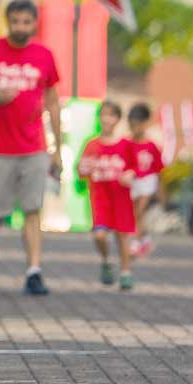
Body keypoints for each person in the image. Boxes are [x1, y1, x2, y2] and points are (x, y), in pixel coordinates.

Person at [0, 0, 61, 296]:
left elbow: (53, 101)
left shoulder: (44, 55)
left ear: (35, 23)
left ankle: (34, 271)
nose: (21, 27)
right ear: (8, 21)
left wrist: (57, 146)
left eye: (26, 22)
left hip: (33, 148)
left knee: (33, 209)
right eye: (16, 21)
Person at [76, 100, 138, 289]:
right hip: (100, 197)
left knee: (122, 235)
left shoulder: (126, 144)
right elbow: (81, 169)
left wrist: (131, 174)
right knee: (100, 235)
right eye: (103, 114)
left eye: (111, 115)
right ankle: (105, 261)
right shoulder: (92, 144)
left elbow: (136, 167)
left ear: (118, 119)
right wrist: (83, 168)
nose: (107, 119)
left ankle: (126, 272)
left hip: (120, 196)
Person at [125, 103, 165, 257]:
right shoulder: (127, 144)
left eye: (137, 125)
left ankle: (135, 242)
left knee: (140, 211)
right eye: (132, 125)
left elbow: (158, 170)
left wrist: (161, 192)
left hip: (148, 181)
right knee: (136, 212)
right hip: (134, 182)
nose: (135, 128)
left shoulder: (151, 146)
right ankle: (145, 239)